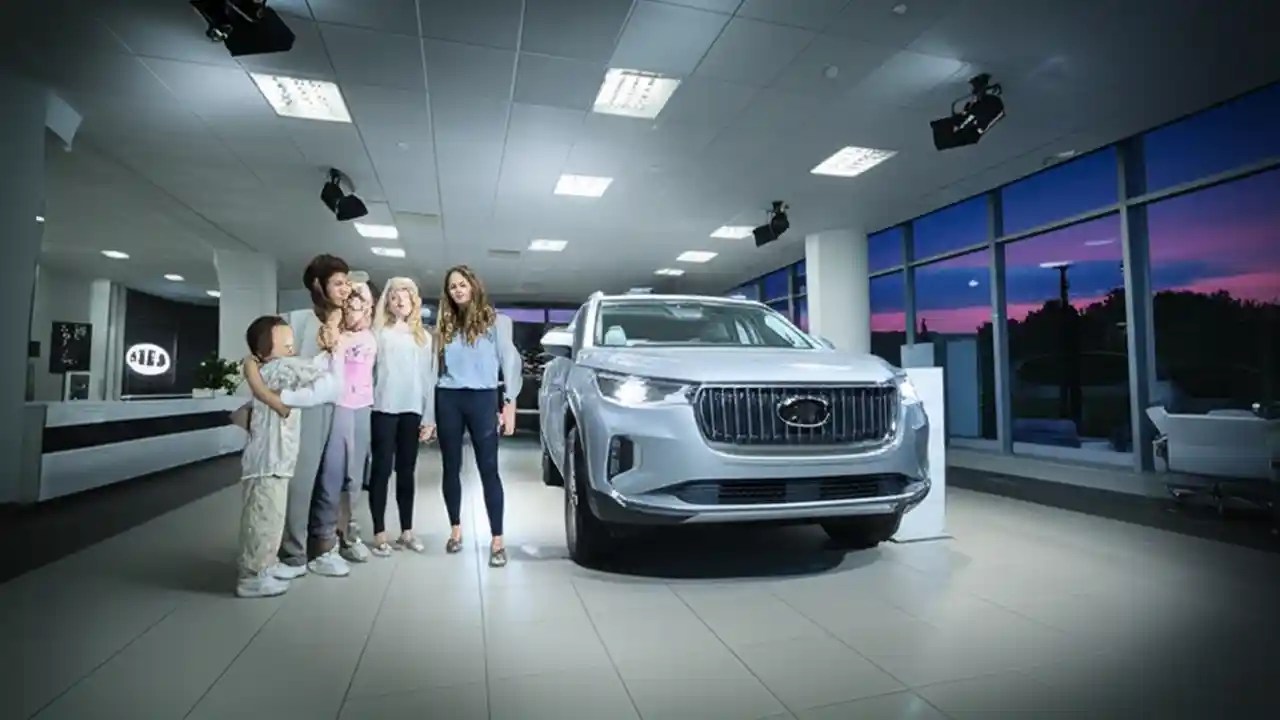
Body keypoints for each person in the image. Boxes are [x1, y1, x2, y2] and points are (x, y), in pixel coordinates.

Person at [243, 254, 360, 579]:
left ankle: (319, 548)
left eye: (346, 282)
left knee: (329, 478)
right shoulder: (294, 320)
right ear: (317, 285)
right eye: (338, 282)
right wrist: (271, 397)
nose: (344, 288)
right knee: (301, 479)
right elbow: (257, 360)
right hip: (299, 409)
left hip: (332, 406)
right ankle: (291, 553)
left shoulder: (341, 321)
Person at [234, 315, 344, 598]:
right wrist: (334, 353)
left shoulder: (268, 370)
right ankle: (253, 575)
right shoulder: (280, 369)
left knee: (270, 516)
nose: (291, 347)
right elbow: (329, 383)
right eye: (286, 342)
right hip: (268, 460)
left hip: (274, 459)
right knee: (263, 517)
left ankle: (265, 566)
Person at [430, 265, 522, 567]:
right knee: (450, 466)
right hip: (449, 398)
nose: (458, 290)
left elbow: (510, 361)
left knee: (489, 469)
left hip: (483, 398)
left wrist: (509, 403)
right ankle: (456, 531)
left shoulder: (497, 322)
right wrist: (428, 414)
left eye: (462, 284)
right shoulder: (443, 326)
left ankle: (497, 540)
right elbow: (433, 370)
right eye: (452, 286)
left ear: (473, 286)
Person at [367, 276, 434, 556]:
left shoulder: (424, 337)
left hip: (411, 411)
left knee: (407, 472)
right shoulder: (378, 333)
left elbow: (428, 379)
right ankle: (380, 534)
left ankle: (407, 531)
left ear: (414, 300)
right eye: (394, 296)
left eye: (405, 296)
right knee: (381, 471)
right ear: (388, 301)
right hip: (383, 408)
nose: (399, 300)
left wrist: (429, 418)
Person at [330, 280, 376, 564]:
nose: (353, 312)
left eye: (358, 307)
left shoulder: (373, 337)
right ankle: (328, 534)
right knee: (335, 473)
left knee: (355, 476)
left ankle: (349, 532)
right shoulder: (335, 336)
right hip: (338, 406)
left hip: (363, 407)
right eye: (348, 306)